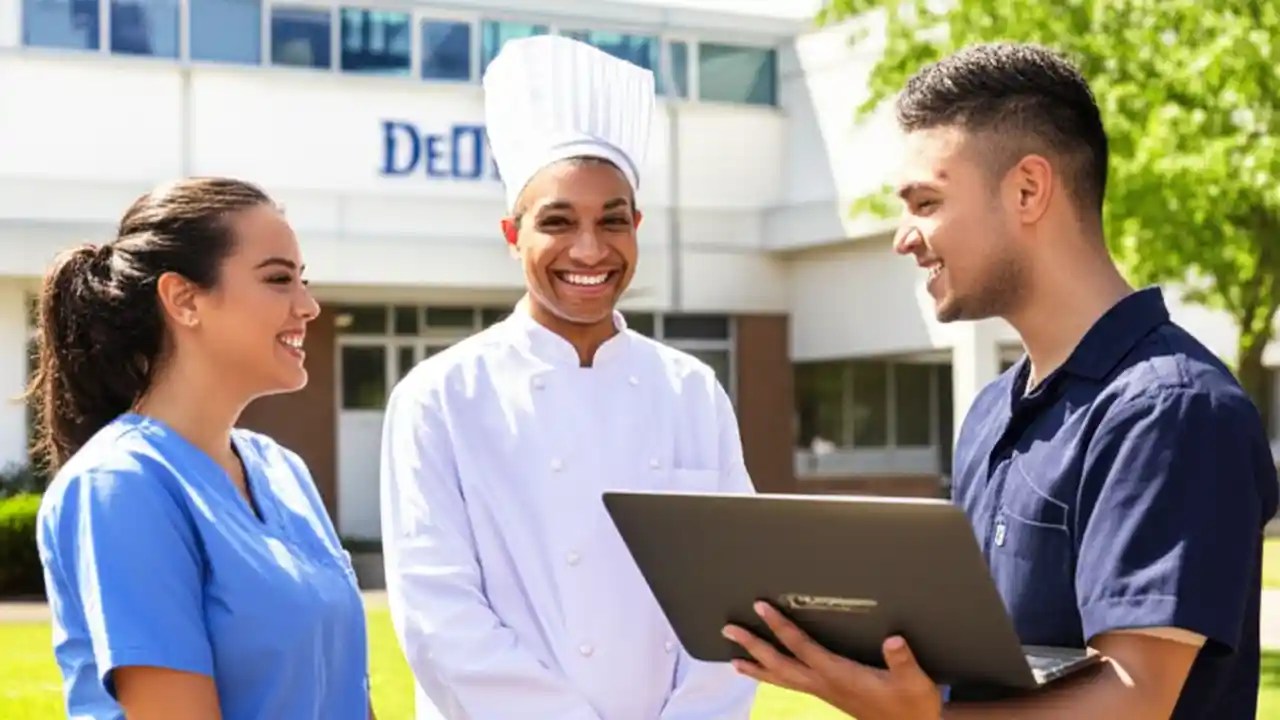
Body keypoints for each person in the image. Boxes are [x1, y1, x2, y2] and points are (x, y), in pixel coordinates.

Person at [723, 42, 1279, 719]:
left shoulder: (1170, 410)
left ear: (1026, 190)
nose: (904, 237)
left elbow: (1132, 702)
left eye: (926, 202)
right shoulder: (992, 410)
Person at [379, 35, 758, 720]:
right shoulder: (440, 398)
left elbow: (734, 599)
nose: (590, 249)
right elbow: (439, 620)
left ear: (637, 226)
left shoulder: (692, 390)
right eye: (558, 221)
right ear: (512, 233)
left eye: (612, 221)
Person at [32, 178, 374, 720]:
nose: (308, 306)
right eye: (279, 279)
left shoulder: (284, 471)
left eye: (302, 280)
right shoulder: (122, 483)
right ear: (184, 299)